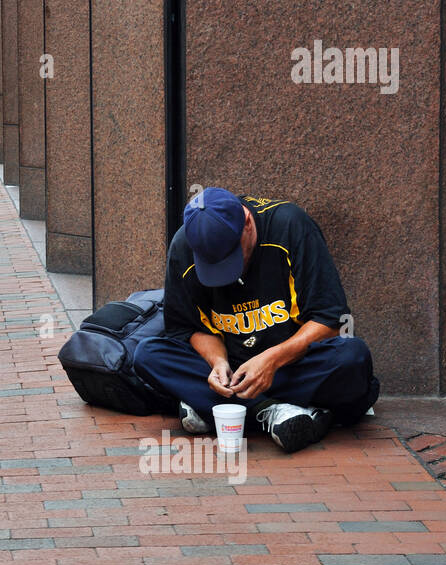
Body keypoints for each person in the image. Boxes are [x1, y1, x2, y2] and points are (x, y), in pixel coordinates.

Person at [132, 189, 380, 453]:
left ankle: (215, 404)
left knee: (353, 357)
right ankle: (276, 411)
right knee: (148, 354)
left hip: (292, 363)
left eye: (232, 255)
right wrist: (218, 362)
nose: (227, 271)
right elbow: (186, 327)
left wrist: (272, 360)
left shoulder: (291, 226)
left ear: (247, 221)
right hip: (236, 369)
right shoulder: (183, 248)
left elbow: (331, 320)